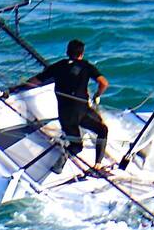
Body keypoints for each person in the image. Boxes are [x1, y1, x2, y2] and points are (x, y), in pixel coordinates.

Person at [25, 39, 110, 167]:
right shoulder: (86, 66)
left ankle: (65, 156)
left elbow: (33, 82)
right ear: (81, 54)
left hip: (64, 115)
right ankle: (97, 164)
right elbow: (104, 83)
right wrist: (97, 95)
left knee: (76, 145)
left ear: (67, 52)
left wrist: (19, 86)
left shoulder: (57, 66)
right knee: (102, 129)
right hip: (81, 112)